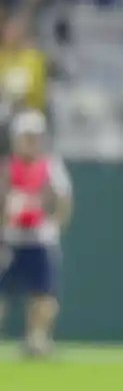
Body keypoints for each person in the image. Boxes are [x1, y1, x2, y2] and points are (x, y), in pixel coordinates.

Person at [0, 110, 72, 357]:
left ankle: (37, 339)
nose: (31, 142)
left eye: (35, 136)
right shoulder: (8, 167)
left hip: (40, 239)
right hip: (11, 238)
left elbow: (63, 200)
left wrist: (55, 225)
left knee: (44, 293)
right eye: (26, 136)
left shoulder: (51, 166)